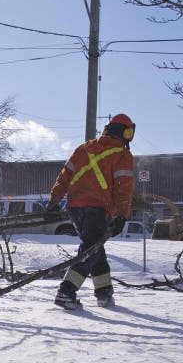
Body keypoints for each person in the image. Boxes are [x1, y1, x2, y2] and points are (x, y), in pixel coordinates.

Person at [46, 114, 136, 309]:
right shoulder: (122, 155)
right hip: (98, 208)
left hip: (75, 209)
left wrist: (54, 201)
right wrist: (122, 216)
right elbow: (123, 189)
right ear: (125, 133)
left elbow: (64, 176)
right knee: (90, 251)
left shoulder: (84, 148)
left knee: (95, 248)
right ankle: (66, 291)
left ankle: (104, 293)